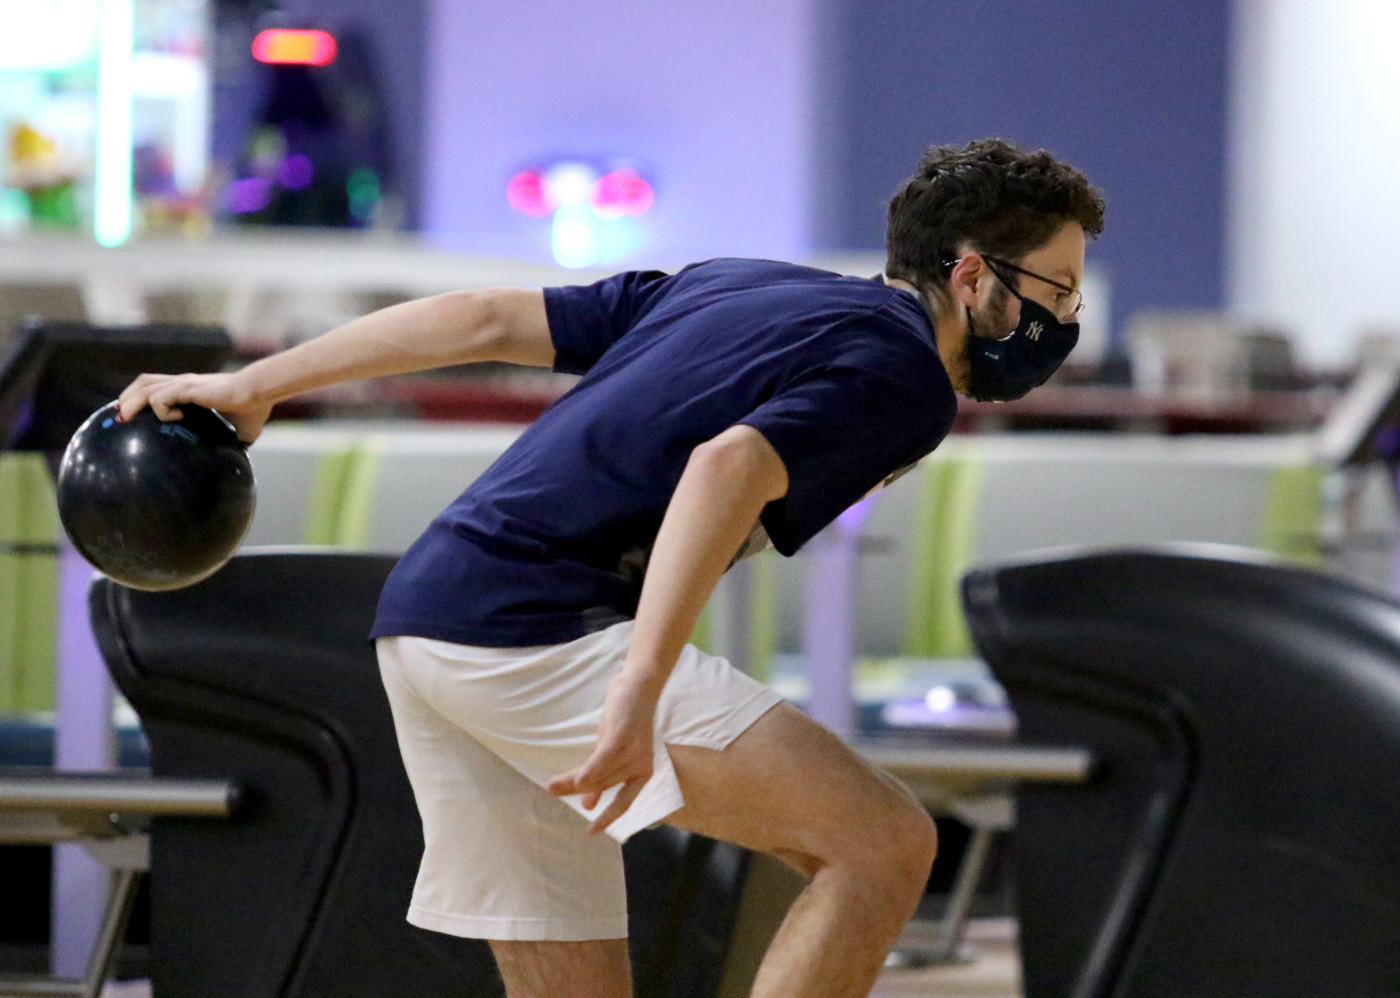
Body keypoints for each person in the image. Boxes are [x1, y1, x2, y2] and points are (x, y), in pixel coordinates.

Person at [118, 138, 1104, 998]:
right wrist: (636, 688)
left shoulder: (735, 282)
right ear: (973, 276)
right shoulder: (903, 375)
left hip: (425, 618)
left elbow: (480, 318)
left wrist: (251, 383)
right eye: (1054, 290)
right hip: (538, 633)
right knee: (883, 842)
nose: (1061, 321)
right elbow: (725, 469)